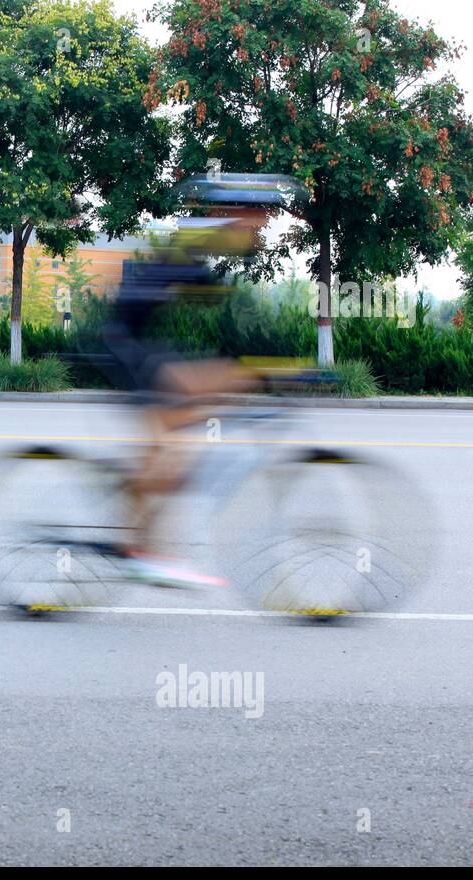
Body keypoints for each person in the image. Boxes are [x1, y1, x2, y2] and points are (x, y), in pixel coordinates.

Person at [103, 173, 307, 589]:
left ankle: (135, 530)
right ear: (231, 216)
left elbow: (229, 320)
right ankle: (137, 545)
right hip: (123, 344)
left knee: (184, 436)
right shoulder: (198, 240)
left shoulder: (205, 243)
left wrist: (260, 370)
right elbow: (240, 321)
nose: (261, 228)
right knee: (177, 447)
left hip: (137, 342)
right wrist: (275, 370)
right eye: (256, 219)